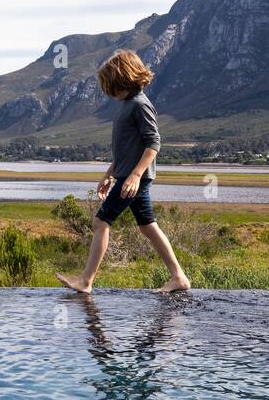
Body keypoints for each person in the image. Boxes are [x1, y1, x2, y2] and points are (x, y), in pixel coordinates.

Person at [56, 49, 190, 294]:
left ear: (121, 78)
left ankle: (86, 281)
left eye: (110, 84)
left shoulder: (140, 105)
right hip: (128, 177)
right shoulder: (129, 105)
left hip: (134, 179)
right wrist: (109, 175)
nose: (109, 91)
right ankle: (178, 277)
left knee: (101, 221)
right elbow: (126, 151)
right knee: (147, 225)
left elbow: (153, 143)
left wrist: (135, 175)